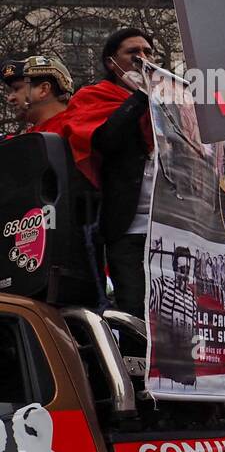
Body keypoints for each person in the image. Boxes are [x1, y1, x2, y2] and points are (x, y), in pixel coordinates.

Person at [61, 28, 158, 318]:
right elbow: (106, 140)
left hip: (170, 227)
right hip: (128, 230)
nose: (143, 59)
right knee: (136, 312)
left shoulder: (169, 102)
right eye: (133, 53)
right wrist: (140, 97)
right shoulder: (93, 97)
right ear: (110, 63)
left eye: (148, 52)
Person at [4, 54, 73, 135]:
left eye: (17, 89)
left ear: (43, 89)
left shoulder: (79, 130)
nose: (10, 98)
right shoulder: (30, 137)